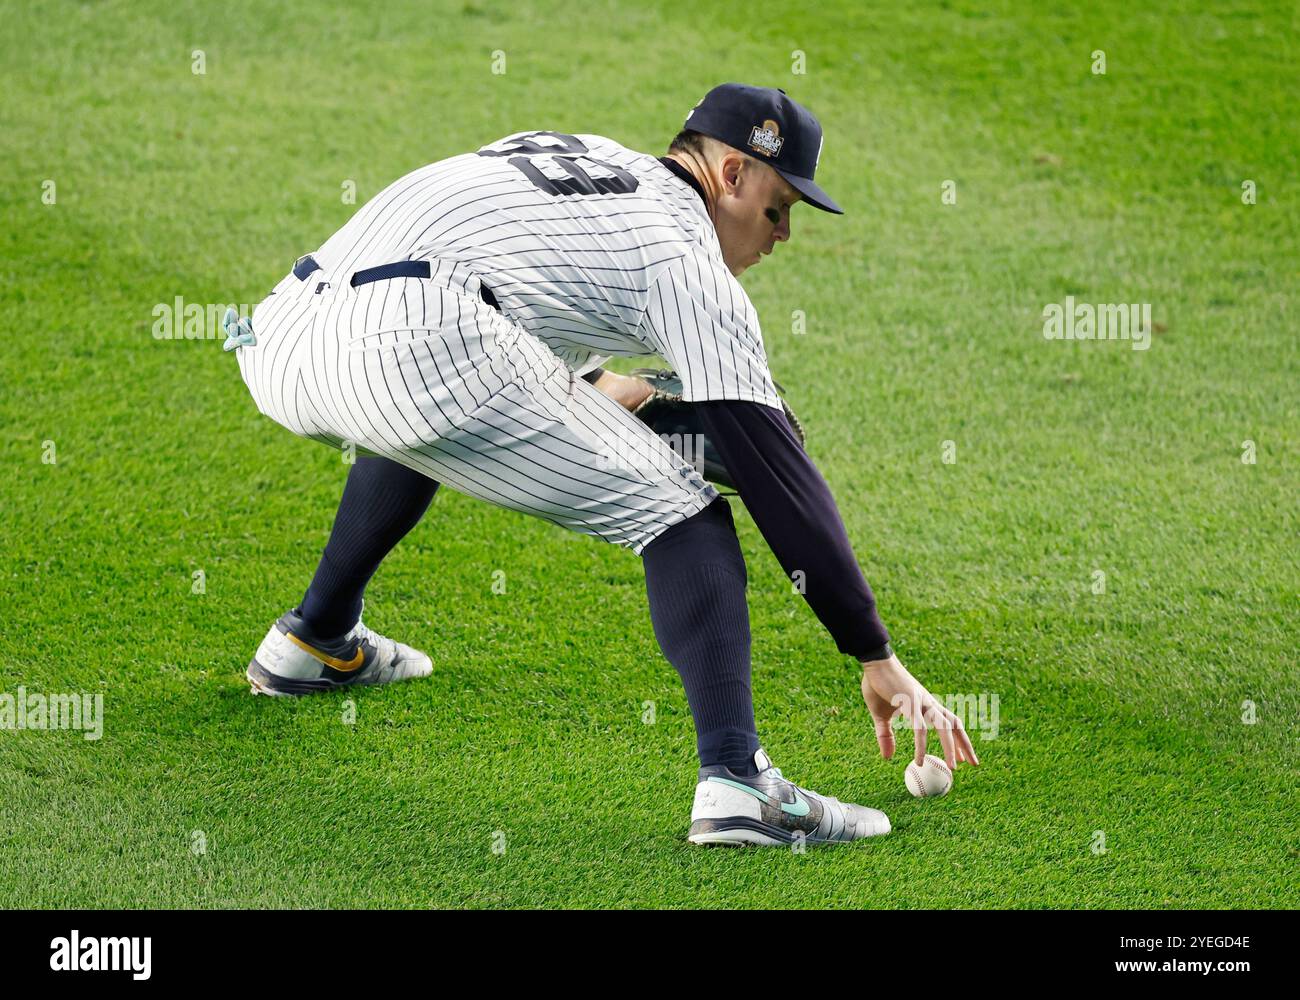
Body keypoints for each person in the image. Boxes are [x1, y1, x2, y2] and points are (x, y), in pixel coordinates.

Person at [223, 82, 978, 846]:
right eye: (778, 208)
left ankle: (314, 640)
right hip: (420, 344)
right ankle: (739, 785)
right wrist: (875, 653)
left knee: (429, 416)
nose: (781, 236)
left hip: (280, 339)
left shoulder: (583, 163)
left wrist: (655, 407)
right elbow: (780, 479)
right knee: (684, 512)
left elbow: (539, 356)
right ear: (731, 175)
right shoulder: (687, 263)